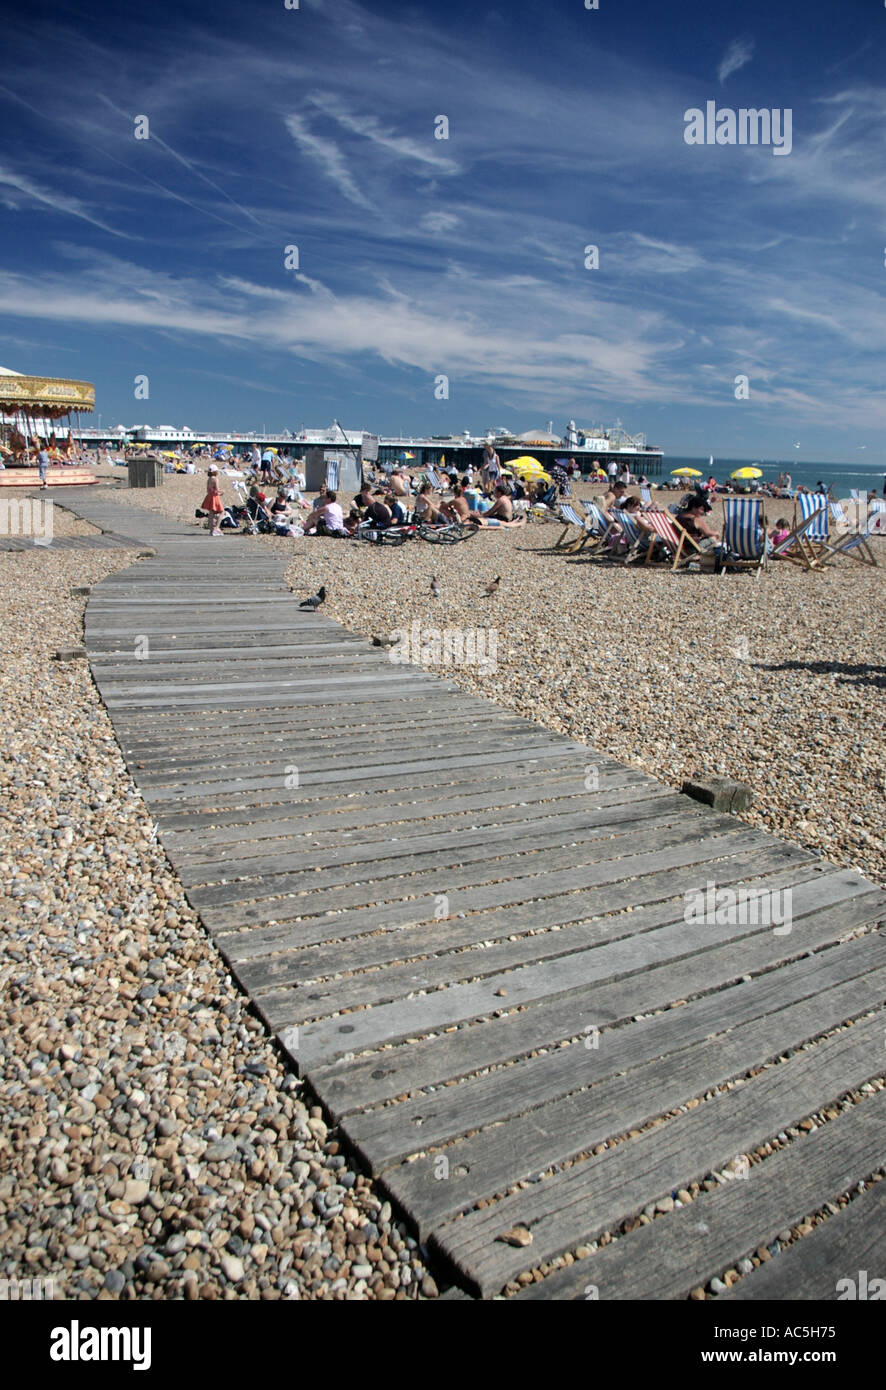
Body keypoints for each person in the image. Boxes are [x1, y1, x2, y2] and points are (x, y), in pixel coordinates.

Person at [201, 465, 225, 536]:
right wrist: (222, 491)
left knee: (211, 512)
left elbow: (208, 490)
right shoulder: (215, 479)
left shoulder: (209, 479)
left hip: (210, 496)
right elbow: (217, 490)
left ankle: (211, 529)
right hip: (214, 497)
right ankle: (217, 527)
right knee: (222, 512)